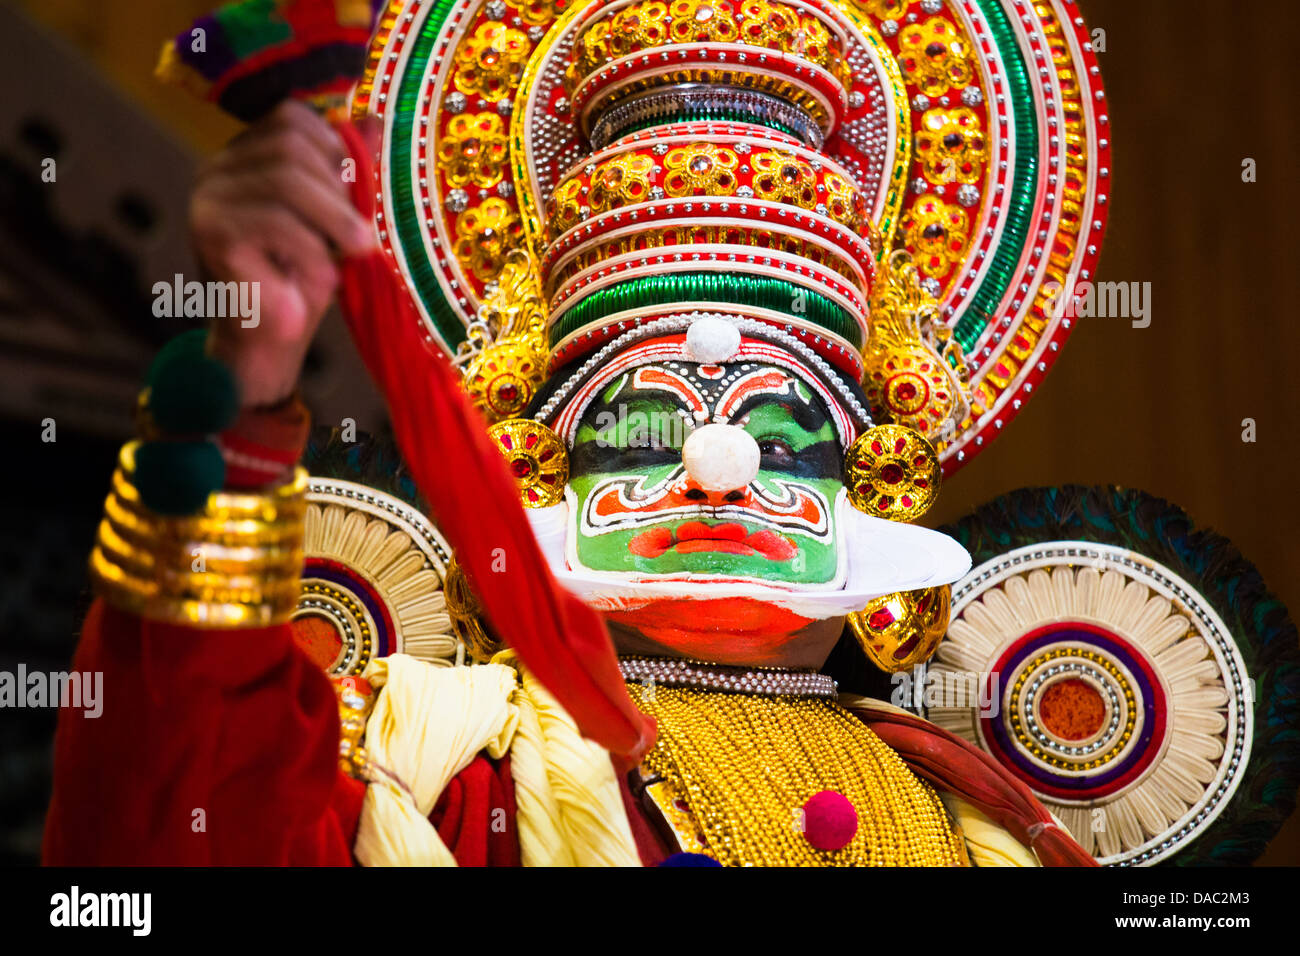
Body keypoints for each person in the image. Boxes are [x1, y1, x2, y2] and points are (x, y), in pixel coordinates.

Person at [42, 0, 1107, 866]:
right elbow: (157, 838)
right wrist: (242, 395)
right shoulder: (422, 767)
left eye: (781, 439)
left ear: (873, 478)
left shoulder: (979, 819)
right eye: (642, 425)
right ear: (538, 461)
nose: (717, 467)